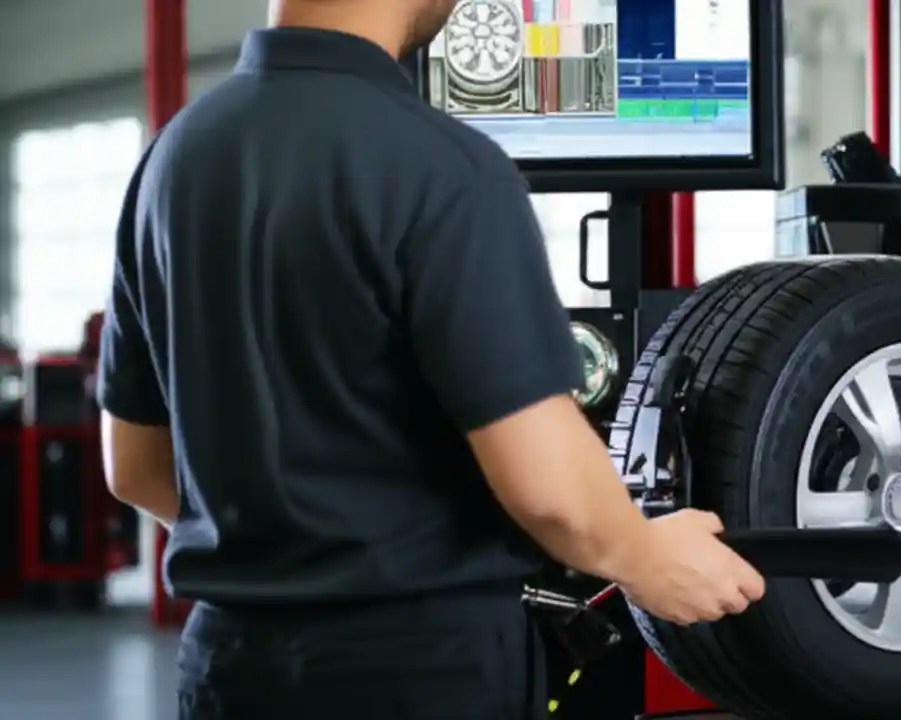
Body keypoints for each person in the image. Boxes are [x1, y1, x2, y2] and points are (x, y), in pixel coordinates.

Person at [96, 0, 766, 717]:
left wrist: (288, 552)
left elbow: (134, 468)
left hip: (231, 668)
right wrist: (646, 555)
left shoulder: (172, 160)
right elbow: (548, 491)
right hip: (418, 671)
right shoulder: (444, 165)